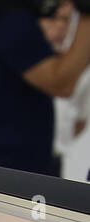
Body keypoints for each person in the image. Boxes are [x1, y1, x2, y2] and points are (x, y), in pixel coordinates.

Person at [0, 0, 90, 174]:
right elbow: (61, 83)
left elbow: (67, 71)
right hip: (6, 169)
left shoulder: (8, 21)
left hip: (18, 167)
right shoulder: (11, 21)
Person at [41, 3, 90, 175]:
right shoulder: (26, 61)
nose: (61, 25)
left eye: (67, 20)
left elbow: (81, 121)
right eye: (54, 17)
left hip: (56, 158)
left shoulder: (83, 72)